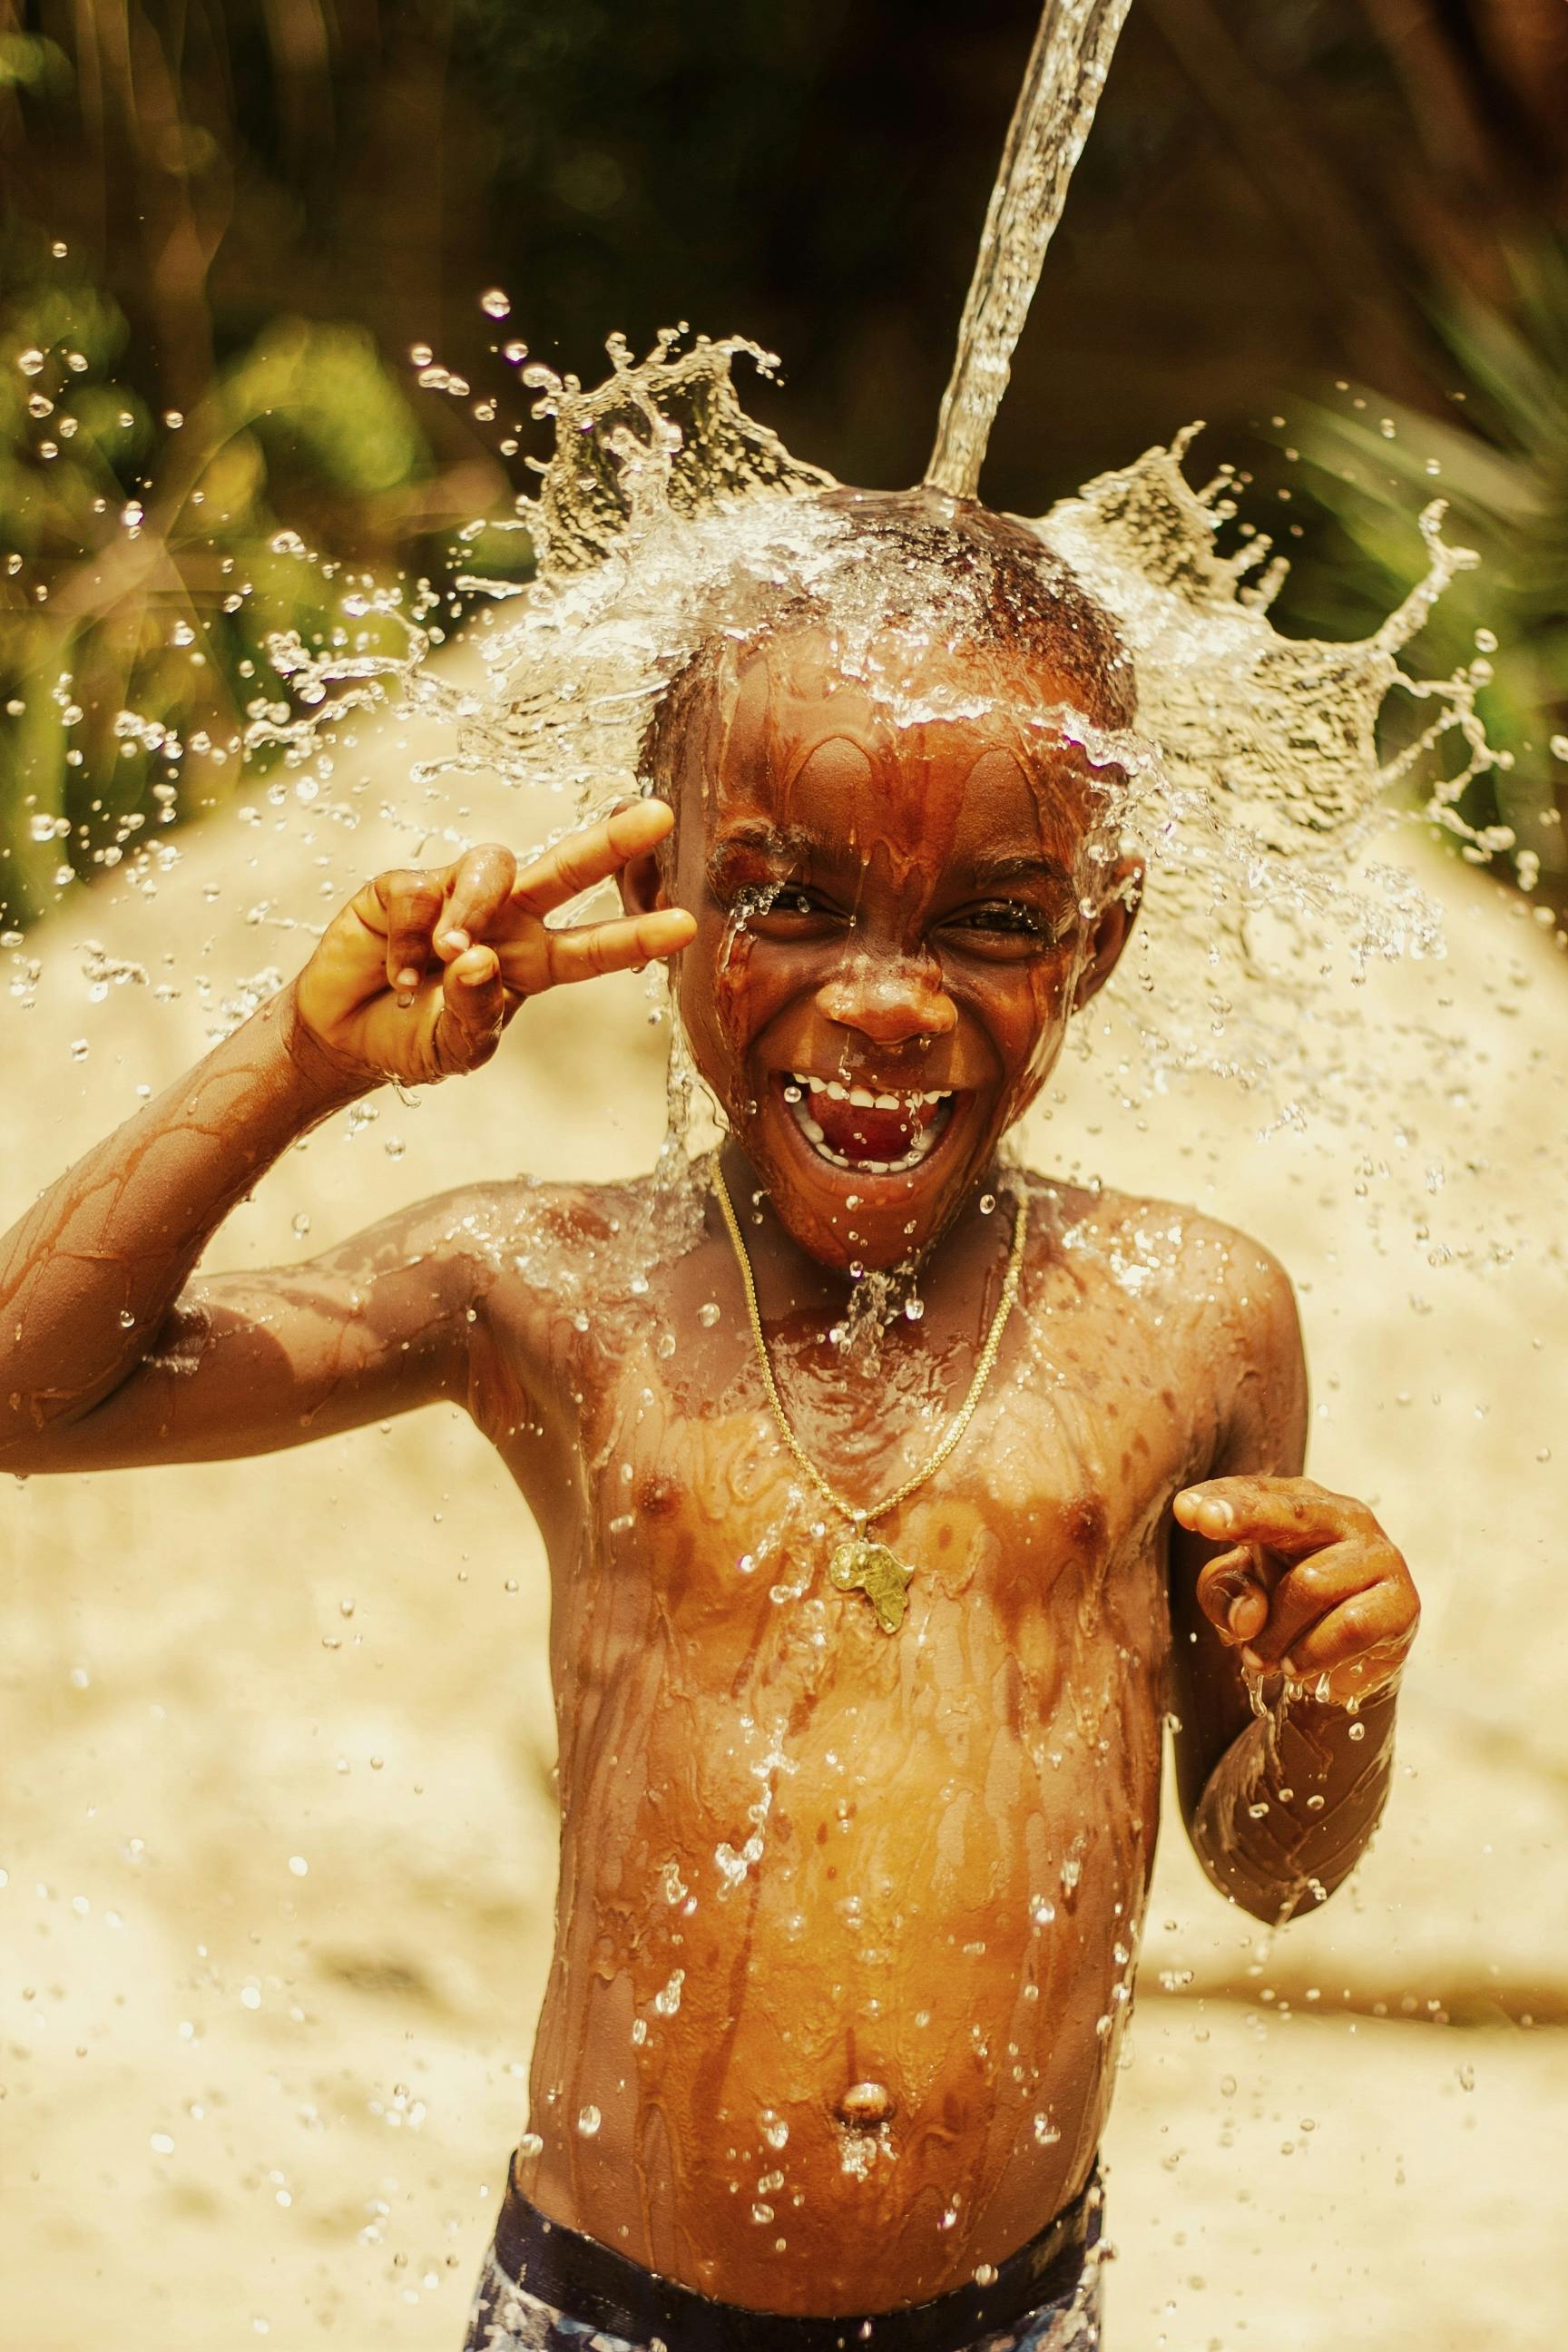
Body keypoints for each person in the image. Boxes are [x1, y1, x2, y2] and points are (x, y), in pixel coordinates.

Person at [0, 492, 1419, 2351]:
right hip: (606, 2316)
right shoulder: (549, 1288)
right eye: (790, 906)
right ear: (657, 898)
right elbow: (35, 1395)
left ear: (1098, 938)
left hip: (1012, 2321)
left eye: (990, 924)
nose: (887, 1002)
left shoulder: (1189, 1324)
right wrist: (306, 1060)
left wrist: (1339, 1697)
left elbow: (1273, 1865)